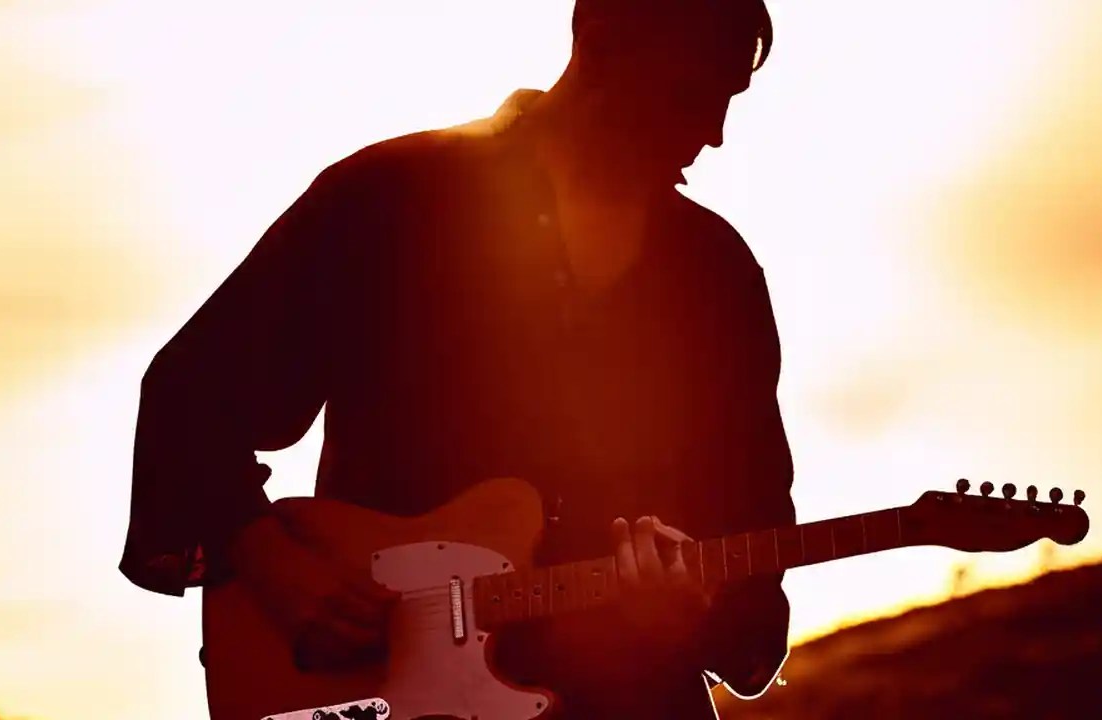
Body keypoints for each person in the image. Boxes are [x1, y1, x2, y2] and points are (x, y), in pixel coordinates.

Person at [120, 0, 796, 716]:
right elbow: (186, 395)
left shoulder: (717, 275)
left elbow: (753, 540)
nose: (714, 133)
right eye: (691, 94)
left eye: (728, 100)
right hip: (394, 695)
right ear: (599, 40)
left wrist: (695, 612)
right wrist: (270, 561)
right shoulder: (388, 197)